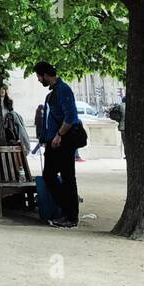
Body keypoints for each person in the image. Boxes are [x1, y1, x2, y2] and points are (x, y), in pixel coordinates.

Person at [35, 61, 85, 228]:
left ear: (45, 75)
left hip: (62, 141)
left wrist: (58, 135)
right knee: (55, 176)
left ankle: (70, 215)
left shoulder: (63, 90)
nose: (38, 80)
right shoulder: (53, 93)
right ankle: (67, 212)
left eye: (39, 76)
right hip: (54, 140)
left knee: (66, 177)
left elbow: (70, 117)